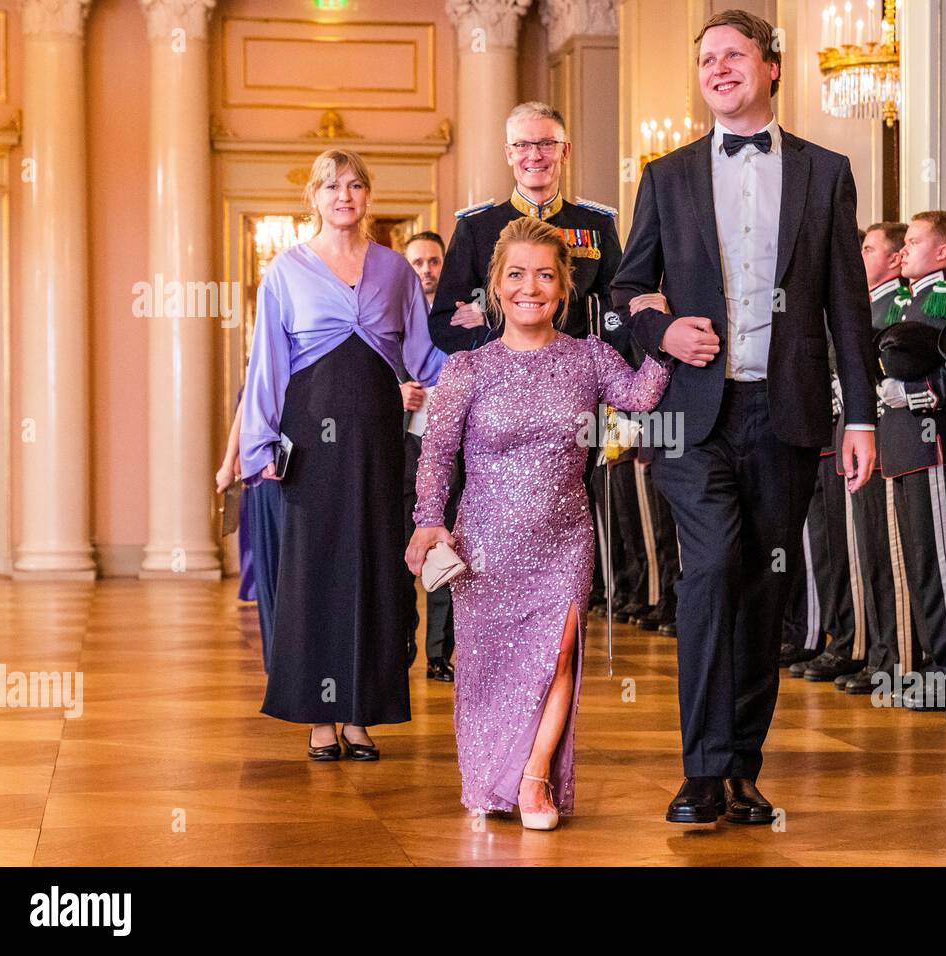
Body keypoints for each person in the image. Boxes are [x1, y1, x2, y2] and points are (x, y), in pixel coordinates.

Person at [612, 9, 876, 825]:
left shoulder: (827, 171)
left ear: (771, 68)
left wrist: (860, 418)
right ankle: (701, 767)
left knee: (765, 586)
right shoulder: (667, 174)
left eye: (734, 56)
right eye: (706, 60)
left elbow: (846, 303)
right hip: (694, 416)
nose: (718, 69)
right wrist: (663, 328)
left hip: (788, 412)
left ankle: (741, 768)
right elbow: (624, 293)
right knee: (715, 564)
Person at [406, 217, 669, 829]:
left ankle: (534, 780)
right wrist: (427, 522)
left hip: (563, 542)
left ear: (564, 287)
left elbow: (639, 398)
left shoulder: (590, 358)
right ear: (496, 286)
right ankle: (492, 777)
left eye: (546, 275)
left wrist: (658, 327)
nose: (532, 287)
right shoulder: (468, 369)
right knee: (490, 671)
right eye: (518, 275)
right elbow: (438, 455)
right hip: (484, 547)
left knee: (558, 659)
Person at [240, 148, 443, 761]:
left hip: (380, 435)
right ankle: (318, 718)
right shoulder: (286, 270)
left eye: (355, 186)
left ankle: (360, 713)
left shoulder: (394, 270)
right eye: (332, 187)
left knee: (376, 566)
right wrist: (259, 444)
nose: (344, 196)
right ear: (314, 198)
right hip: (309, 436)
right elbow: (265, 366)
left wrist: (492, 360)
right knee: (315, 569)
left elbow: (428, 357)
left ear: (367, 196)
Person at [877, 211, 946, 711]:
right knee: (918, 562)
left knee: (940, 558)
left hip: (932, 443)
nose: (903, 251)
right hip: (901, 445)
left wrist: (913, 391)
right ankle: (934, 664)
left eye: (914, 242)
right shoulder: (909, 300)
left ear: (943, 252)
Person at [429, 101, 624, 355]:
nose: (534, 155)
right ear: (509, 153)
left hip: (578, 373)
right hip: (501, 381)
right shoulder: (475, 228)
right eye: (522, 145)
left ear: (565, 151)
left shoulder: (596, 225)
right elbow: (445, 323)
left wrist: (587, 359)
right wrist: (498, 343)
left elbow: (618, 310)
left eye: (546, 144)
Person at [838, 223, 915, 695]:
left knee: (894, 559)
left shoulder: (899, 304)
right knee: (862, 555)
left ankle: (896, 656)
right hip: (853, 438)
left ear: (895, 259)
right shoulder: (860, 304)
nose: (858, 256)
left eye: (867, 248)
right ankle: (877, 651)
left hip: (890, 440)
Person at [401, 230, 458, 682]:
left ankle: (439, 655)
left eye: (433, 261)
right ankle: (399, 647)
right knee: (403, 549)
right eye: (417, 262)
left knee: (443, 548)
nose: (426, 269)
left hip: (454, 450)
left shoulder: (464, 315)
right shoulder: (391, 312)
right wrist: (395, 391)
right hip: (405, 448)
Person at [216, 392, 283, 671]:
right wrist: (229, 463)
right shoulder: (270, 355)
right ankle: (280, 663)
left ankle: (286, 663)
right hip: (270, 470)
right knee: (274, 568)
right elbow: (247, 404)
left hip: (287, 466)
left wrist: (229, 464)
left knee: (281, 569)